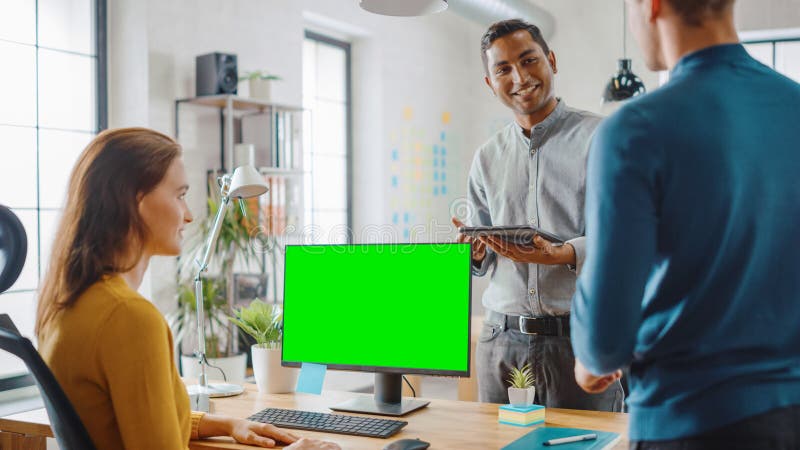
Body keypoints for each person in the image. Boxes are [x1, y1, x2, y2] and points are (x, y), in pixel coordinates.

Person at [570, 0, 800, 448]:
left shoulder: (635, 131)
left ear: (651, 5)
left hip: (690, 425)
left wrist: (589, 357)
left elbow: (603, 344)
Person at [36, 128, 340, 450]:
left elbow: (136, 419)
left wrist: (230, 423)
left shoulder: (67, 302)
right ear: (136, 200)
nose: (190, 215)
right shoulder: (129, 319)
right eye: (180, 195)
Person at [453, 19, 623, 411]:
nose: (520, 77)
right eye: (503, 69)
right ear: (490, 83)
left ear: (551, 60)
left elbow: (625, 236)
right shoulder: (486, 158)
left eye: (529, 60)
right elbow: (481, 260)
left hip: (578, 337)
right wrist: (475, 254)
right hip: (500, 340)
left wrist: (564, 254)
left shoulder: (603, 139)